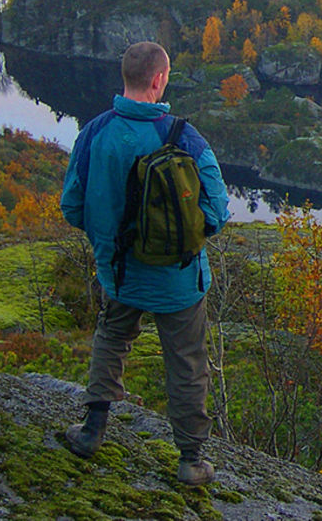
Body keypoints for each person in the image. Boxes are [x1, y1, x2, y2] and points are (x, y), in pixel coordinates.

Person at [60, 41, 230, 485]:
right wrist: (184, 243)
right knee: (188, 362)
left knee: (111, 337)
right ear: (159, 80)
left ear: (126, 77)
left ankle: (92, 431)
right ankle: (191, 460)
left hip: (118, 272)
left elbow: (72, 206)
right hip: (178, 280)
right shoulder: (184, 136)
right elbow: (217, 211)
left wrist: (107, 245)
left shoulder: (95, 132)